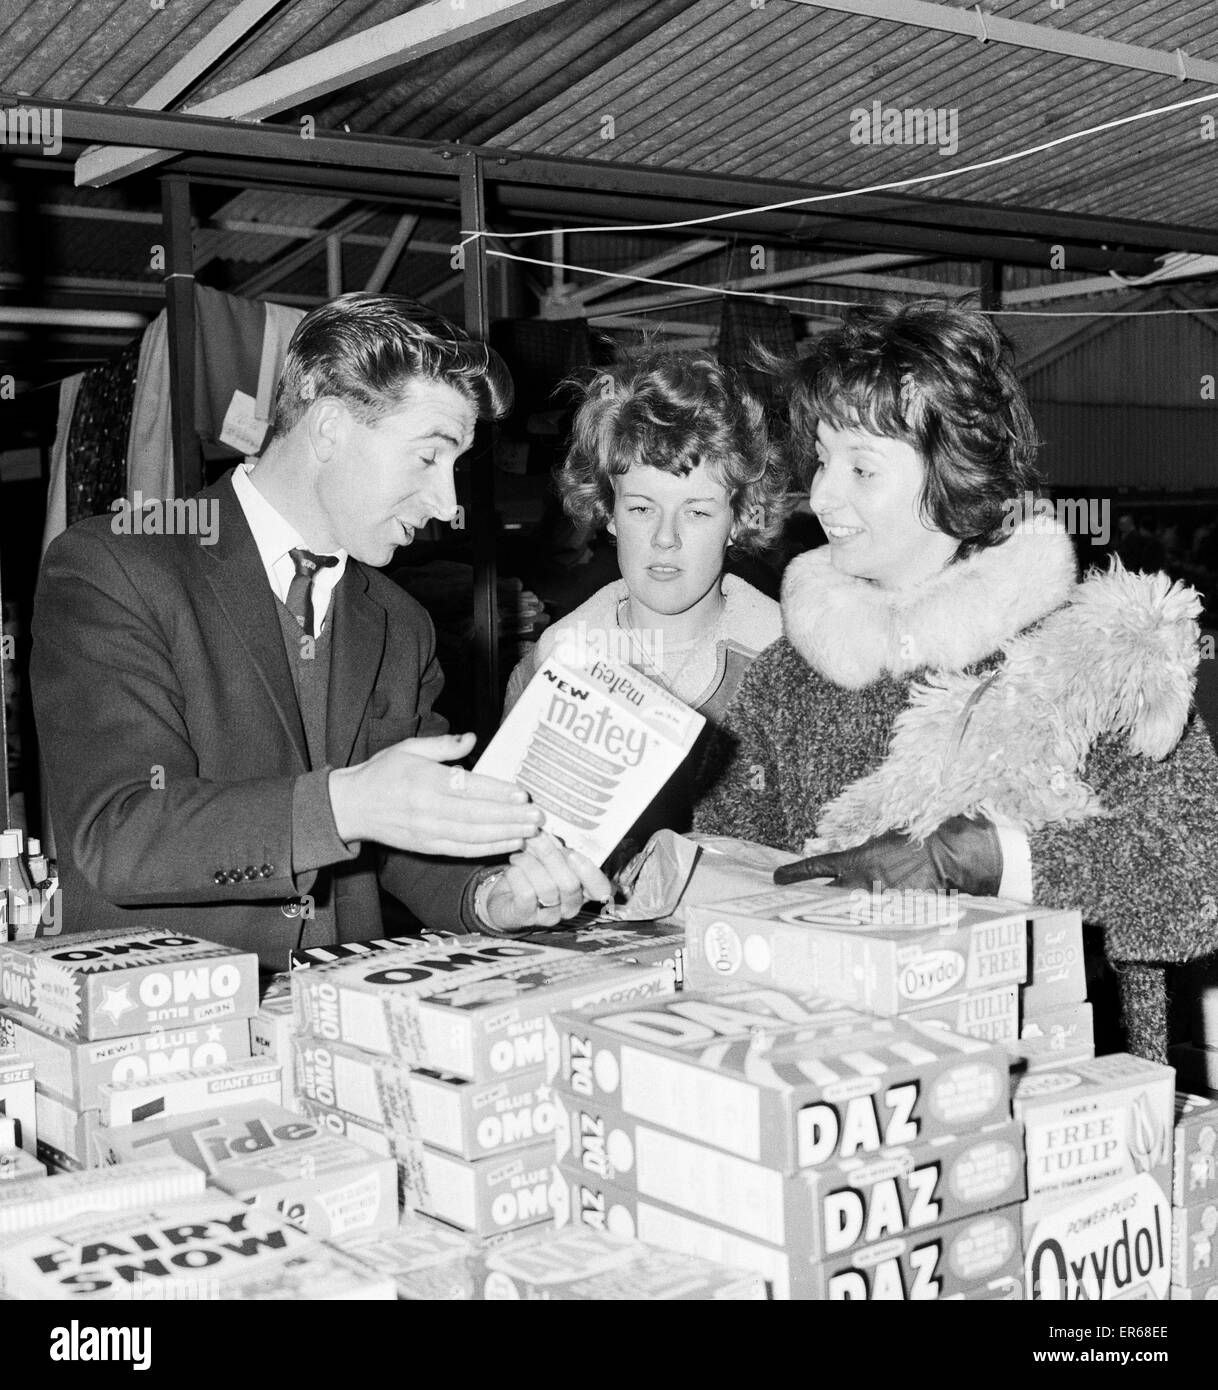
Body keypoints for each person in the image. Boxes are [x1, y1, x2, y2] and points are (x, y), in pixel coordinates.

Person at [694, 301, 1218, 1063]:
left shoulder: (1091, 649)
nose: (823, 496)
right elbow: (737, 854)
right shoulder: (792, 670)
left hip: (1063, 1085)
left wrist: (983, 858)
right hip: (843, 1074)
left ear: (954, 471)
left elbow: (1201, 873)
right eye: (821, 459)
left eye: (862, 468)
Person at [31, 293, 610, 969]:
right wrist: (342, 805)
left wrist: (492, 895)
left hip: (332, 1024)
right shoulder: (116, 566)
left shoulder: (400, 623)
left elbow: (400, 842)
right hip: (162, 1017)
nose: (447, 505)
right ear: (330, 427)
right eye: (429, 457)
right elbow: (120, 834)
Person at [503, 349, 787, 871]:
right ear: (608, 511)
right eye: (640, 508)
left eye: (697, 512)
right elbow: (509, 862)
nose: (665, 539)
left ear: (739, 517)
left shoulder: (790, 664)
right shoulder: (552, 664)